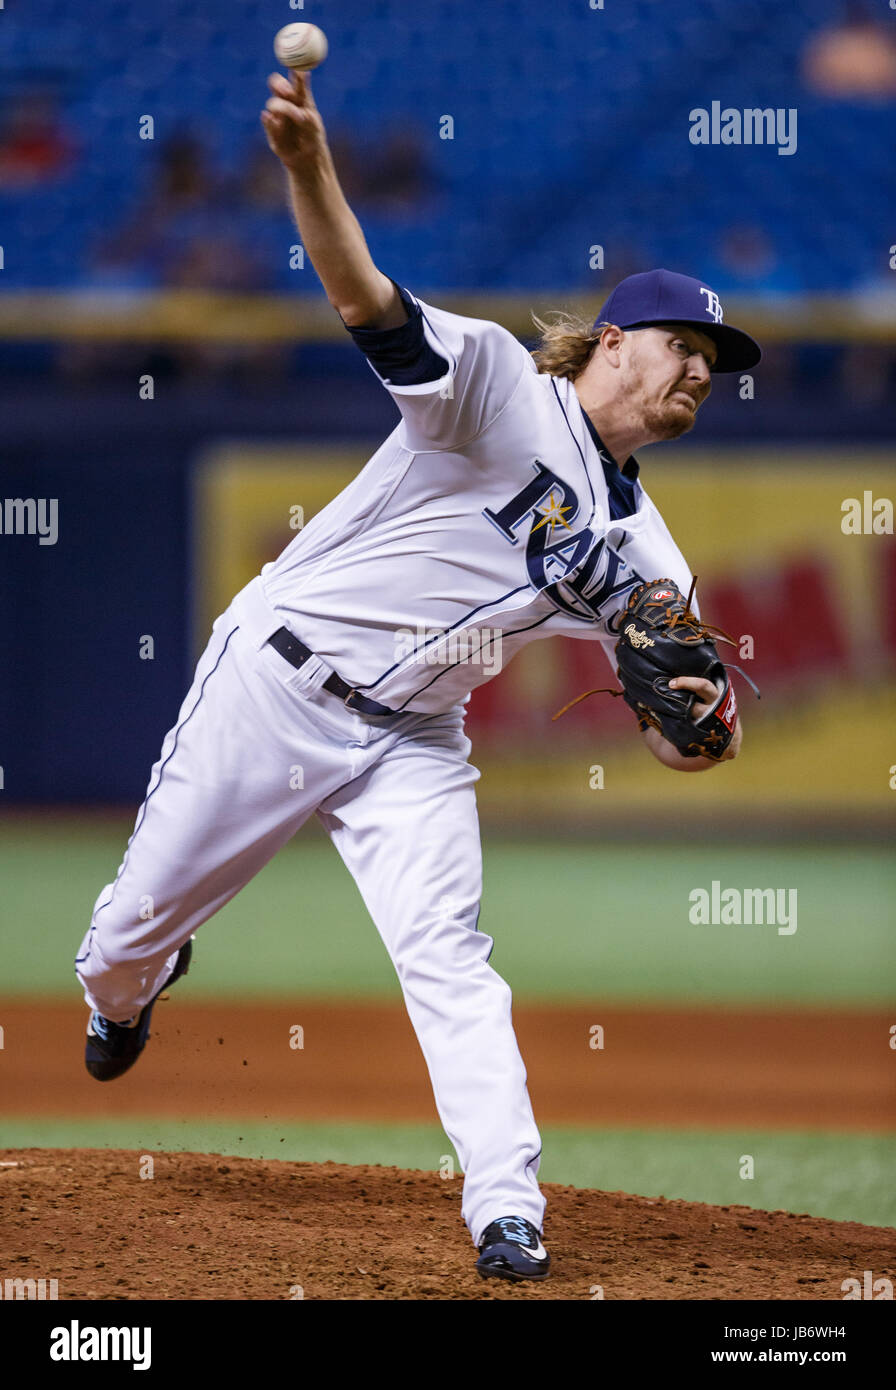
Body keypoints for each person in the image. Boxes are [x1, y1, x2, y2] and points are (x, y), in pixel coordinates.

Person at [75, 68, 760, 1284]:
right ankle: (132, 986)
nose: (701, 366)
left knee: (451, 958)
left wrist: (700, 727)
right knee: (118, 941)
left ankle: (508, 1210)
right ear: (612, 343)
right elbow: (364, 298)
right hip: (276, 684)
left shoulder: (652, 555)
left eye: (716, 357)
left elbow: (678, 732)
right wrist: (304, 168)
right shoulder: (496, 387)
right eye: (682, 343)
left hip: (414, 744)